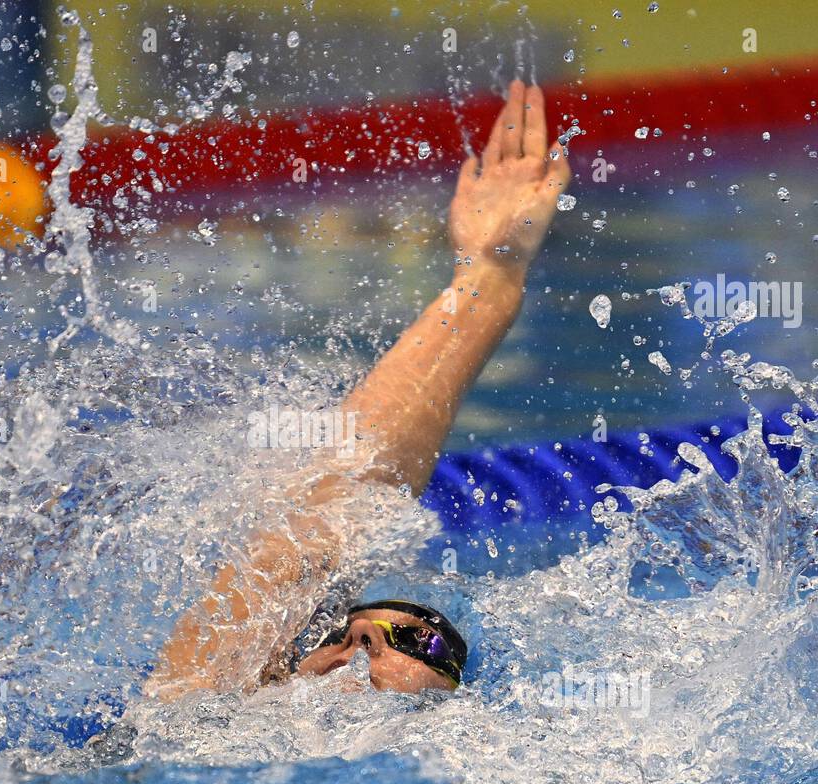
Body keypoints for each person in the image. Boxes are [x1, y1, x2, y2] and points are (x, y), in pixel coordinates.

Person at [146, 80, 570, 701]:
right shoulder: (187, 719)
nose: (365, 642)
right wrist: (488, 277)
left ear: (457, 700)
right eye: (340, 634)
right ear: (279, 666)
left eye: (424, 642)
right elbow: (323, 521)